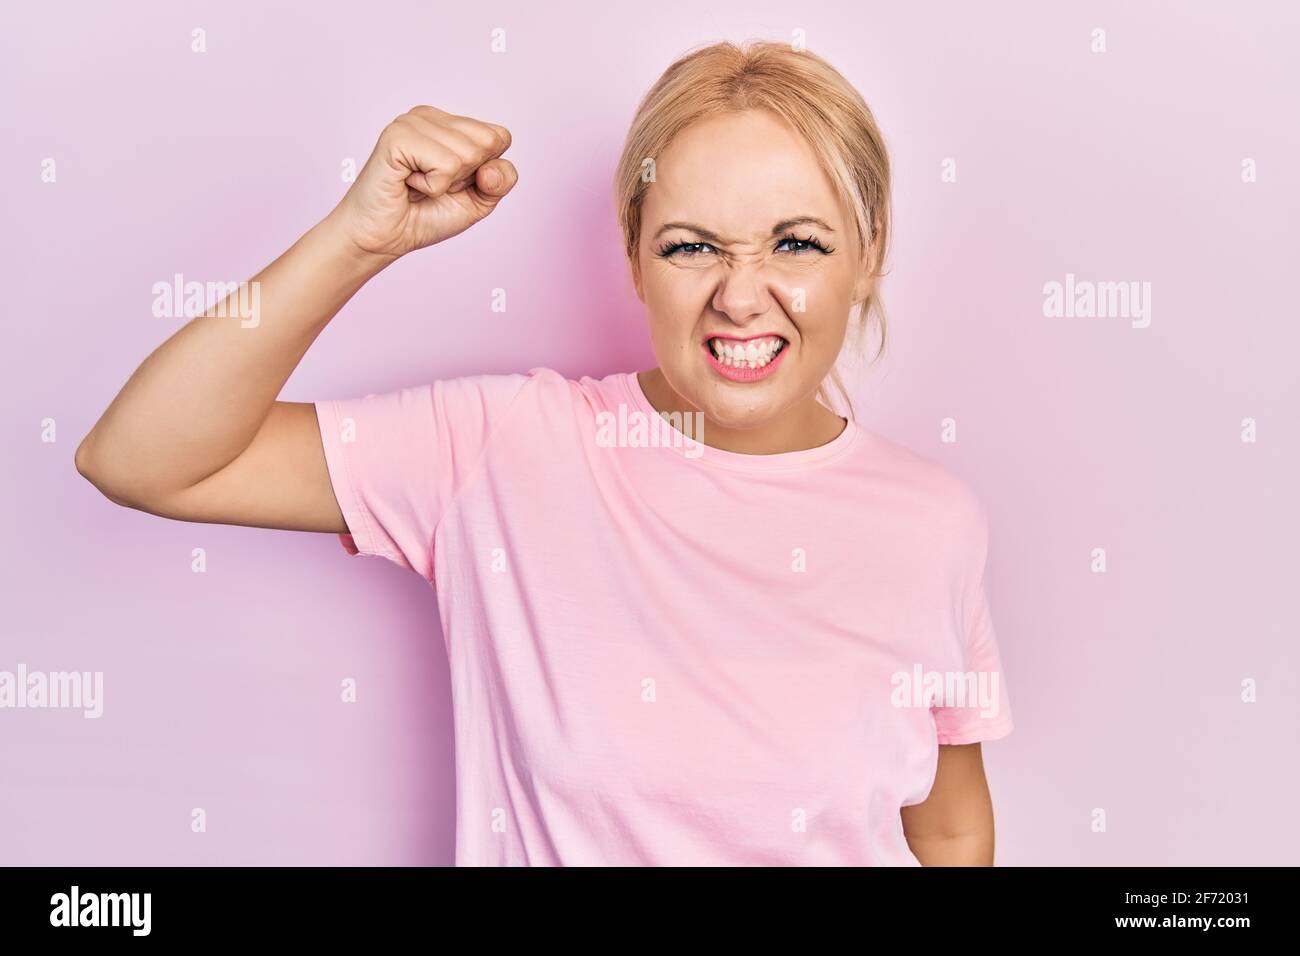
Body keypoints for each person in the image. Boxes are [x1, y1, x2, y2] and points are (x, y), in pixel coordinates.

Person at [76, 39, 1014, 866]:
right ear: (634, 255)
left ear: (870, 251)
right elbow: (141, 458)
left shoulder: (934, 522)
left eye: (796, 243)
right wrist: (356, 242)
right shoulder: (502, 450)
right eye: (691, 248)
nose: (740, 295)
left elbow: (950, 830)